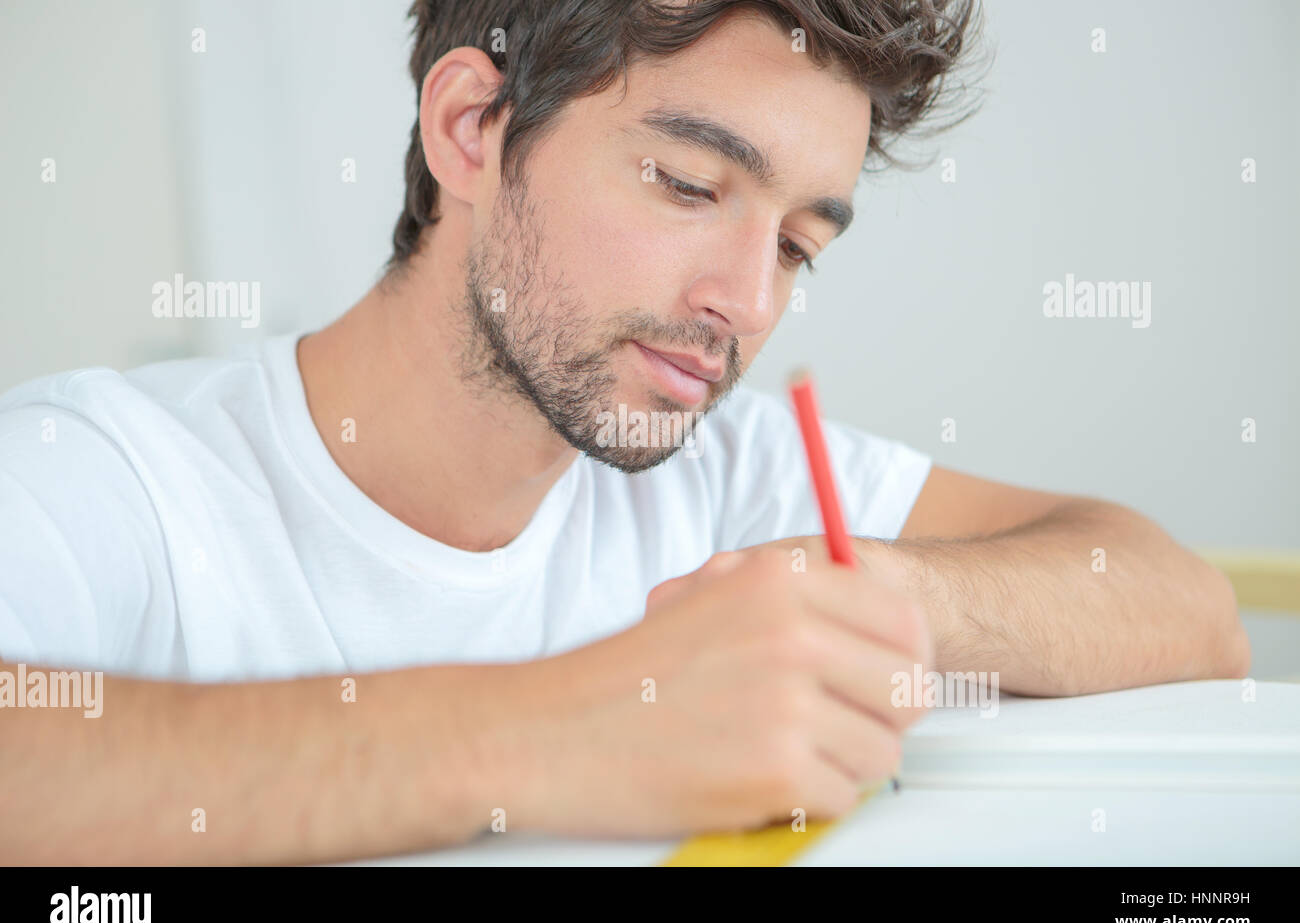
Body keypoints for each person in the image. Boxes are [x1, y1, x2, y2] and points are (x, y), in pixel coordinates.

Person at [0, 0, 1246, 865]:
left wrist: (867, 592)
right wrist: (564, 728)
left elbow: (1178, 601)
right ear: (471, 129)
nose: (747, 304)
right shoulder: (108, 476)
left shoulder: (733, 479)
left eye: (799, 245)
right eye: (689, 186)